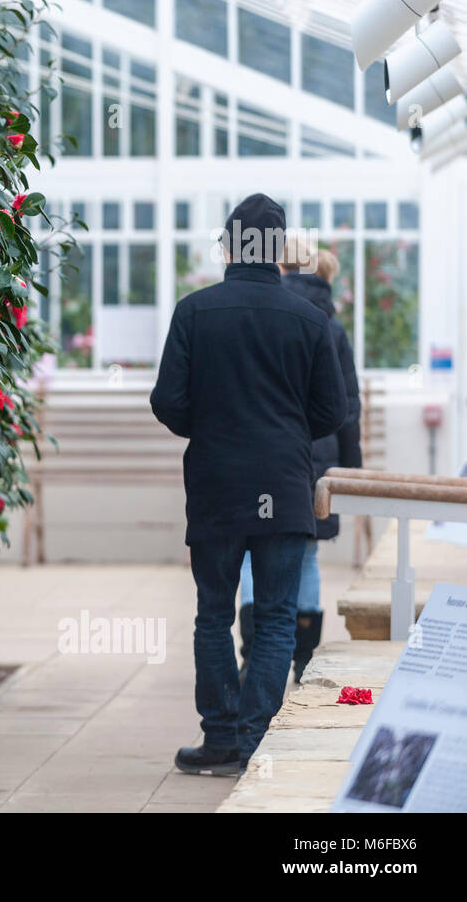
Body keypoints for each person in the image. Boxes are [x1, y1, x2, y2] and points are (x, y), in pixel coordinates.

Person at [150, 194, 349, 776]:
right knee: (278, 614)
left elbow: (168, 402)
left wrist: (209, 428)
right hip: (284, 483)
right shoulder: (311, 321)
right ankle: (257, 738)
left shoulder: (194, 312)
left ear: (232, 245)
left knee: (213, 613)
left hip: (215, 481)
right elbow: (331, 412)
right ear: (279, 250)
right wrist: (286, 435)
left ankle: (220, 738)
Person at [236, 241, 362, 684]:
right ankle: (304, 658)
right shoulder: (333, 327)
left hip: (263, 454)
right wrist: (350, 470)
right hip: (318, 460)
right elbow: (347, 407)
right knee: (306, 558)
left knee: (254, 554)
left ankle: (253, 651)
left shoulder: (265, 314)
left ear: (282, 266)